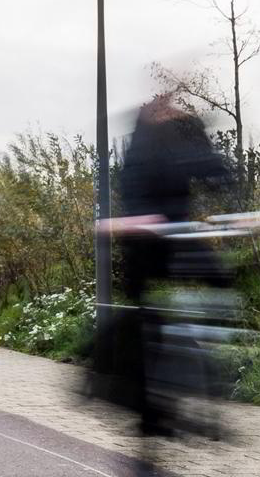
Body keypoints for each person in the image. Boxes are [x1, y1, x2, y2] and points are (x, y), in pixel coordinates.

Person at [90, 90, 235, 457]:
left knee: (223, 281)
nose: (168, 112)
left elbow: (212, 168)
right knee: (144, 313)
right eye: (161, 109)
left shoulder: (186, 133)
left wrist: (230, 192)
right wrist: (138, 221)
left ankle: (211, 372)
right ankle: (148, 408)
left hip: (179, 236)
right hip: (145, 241)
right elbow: (131, 187)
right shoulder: (140, 145)